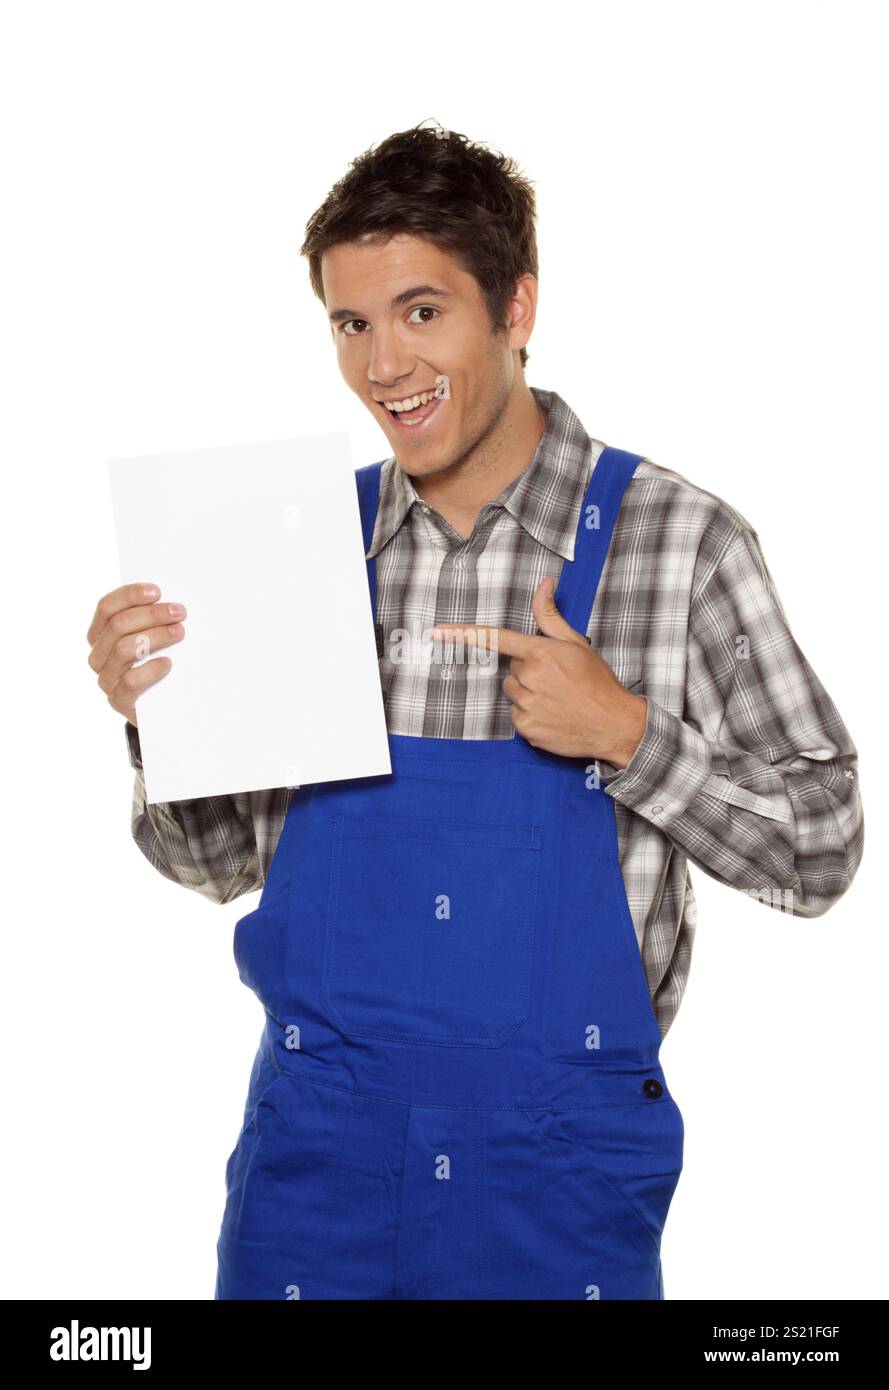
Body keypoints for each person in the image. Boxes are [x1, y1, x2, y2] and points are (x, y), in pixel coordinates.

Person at [87, 121, 864, 1301]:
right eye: (350, 324)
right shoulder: (293, 547)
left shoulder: (679, 542)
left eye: (421, 311)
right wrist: (155, 721)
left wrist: (630, 736)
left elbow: (822, 851)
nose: (383, 363)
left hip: (558, 1187)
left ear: (516, 307)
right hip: (314, 1185)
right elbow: (213, 863)